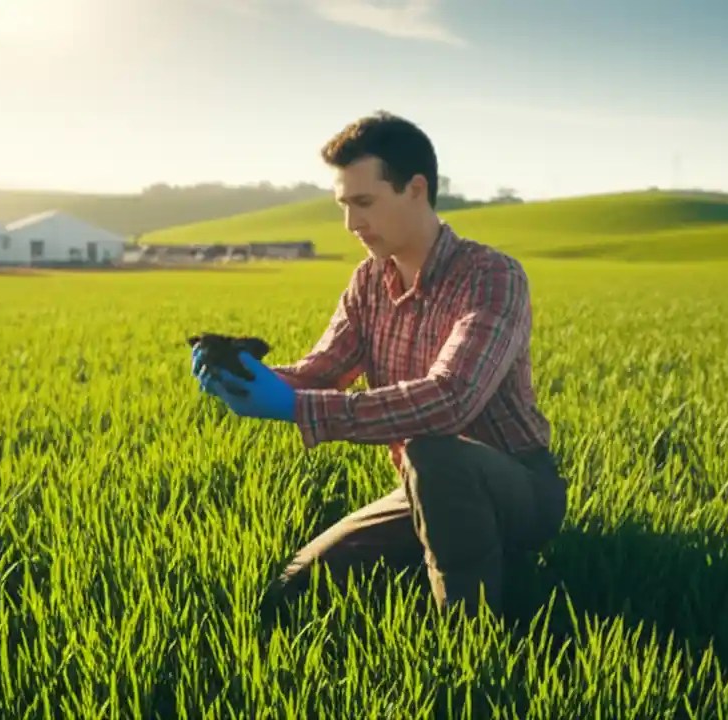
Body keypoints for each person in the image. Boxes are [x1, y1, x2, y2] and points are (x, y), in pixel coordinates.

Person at [191, 110, 568, 622]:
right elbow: (321, 370)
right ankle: (443, 549)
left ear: (415, 189)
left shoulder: (491, 277)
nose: (351, 224)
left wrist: (299, 407)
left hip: (519, 490)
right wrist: (248, 377)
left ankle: (473, 638)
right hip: (421, 488)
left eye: (364, 203)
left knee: (436, 453)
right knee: (295, 586)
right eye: (344, 205)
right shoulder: (368, 282)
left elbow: (449, 400)